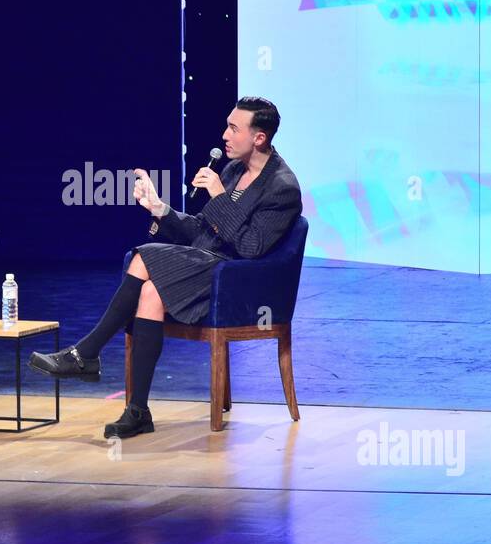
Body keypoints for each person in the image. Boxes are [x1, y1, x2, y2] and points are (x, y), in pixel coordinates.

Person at [30, 97, 302, 439]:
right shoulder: (234, 170)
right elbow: (204, 230)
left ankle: (86, 353)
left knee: (145, 256)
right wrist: (160, 209)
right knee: (149, 293)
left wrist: (218, 198)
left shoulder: (282, 187)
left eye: (234, 128)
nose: (224, 135)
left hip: (237, 282)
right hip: (209, 265)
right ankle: (138, 411)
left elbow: (251, 249)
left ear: (259, 137)